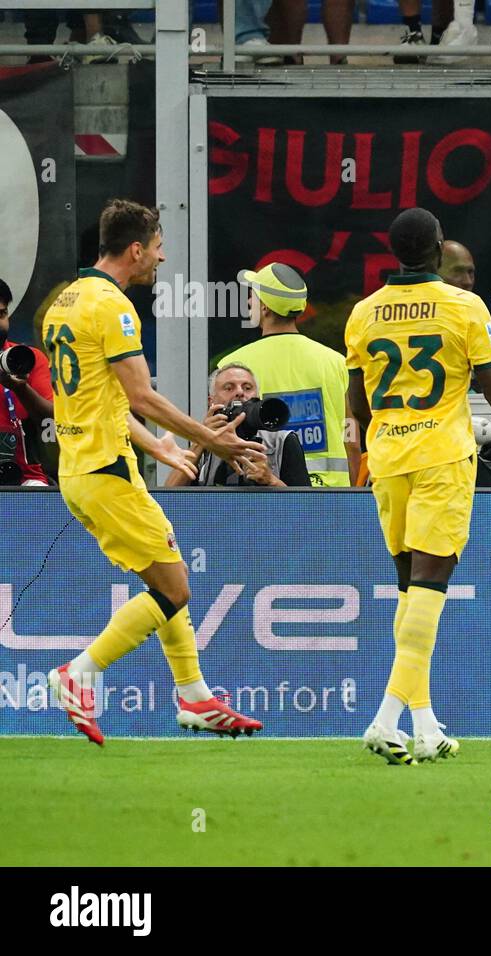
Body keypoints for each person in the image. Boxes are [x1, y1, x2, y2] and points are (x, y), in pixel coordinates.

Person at [41, 199, 267, 746]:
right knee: (175, 588)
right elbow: (141, 395)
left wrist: (162, 451)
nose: (162, 258)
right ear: (136, 249)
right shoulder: (114, 307)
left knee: (163, 572)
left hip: (84, 469)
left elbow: (101, 402)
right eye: (159, 247)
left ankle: (194, 698)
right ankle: (80, 673)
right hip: (106, 472)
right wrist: (208, 438)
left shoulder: (63, 302)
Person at [345, 206, 491, 765]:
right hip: (441, 456)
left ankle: (424, 725)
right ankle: (383, 719)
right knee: (430, 588)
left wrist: (377, 444)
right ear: (439, 248)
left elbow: (359, 402)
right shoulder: (464, 307)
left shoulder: (364, 313)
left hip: (389, 458)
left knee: (409, 589)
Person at [219, 262, 356, 487]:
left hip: (266, 493)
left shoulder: (234, 367)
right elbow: (350, 439)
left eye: (252, 296)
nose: (247, 301)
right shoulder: (335, 362)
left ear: (265, 308)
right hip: (331, 498)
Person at [165, 363, 311, 488]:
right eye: (229, 388)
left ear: (257, 398)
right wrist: (202, 439)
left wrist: (271, 480)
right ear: (212, 401)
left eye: (247, 388)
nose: (240, 392)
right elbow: (169, 497)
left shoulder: (282, 441)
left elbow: (308, 508)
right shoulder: (202, 444)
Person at [0, 278, 54, 484]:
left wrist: (20, 388)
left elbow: (50, 419)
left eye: (1, 314)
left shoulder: (25, 359)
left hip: (26, 479)